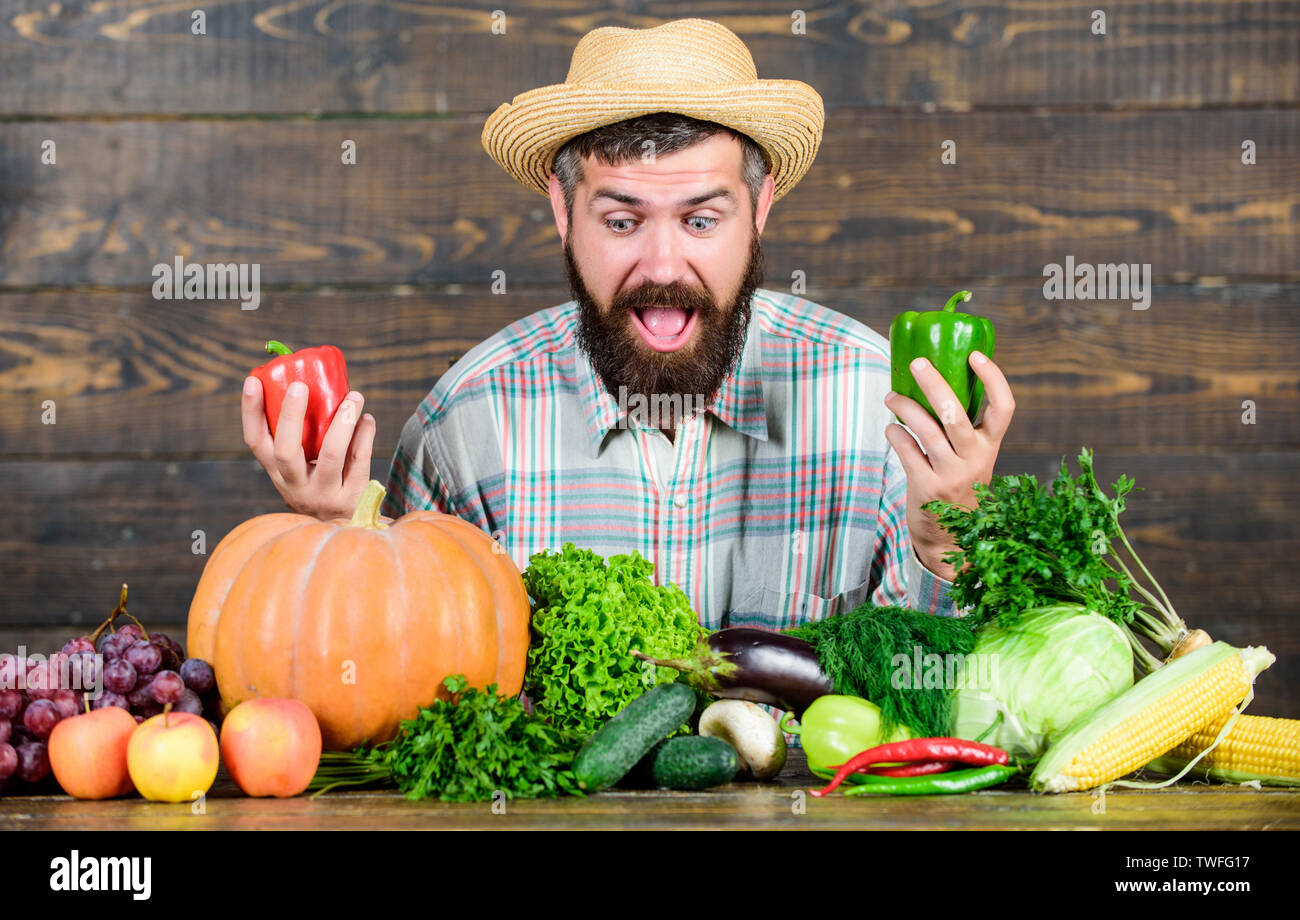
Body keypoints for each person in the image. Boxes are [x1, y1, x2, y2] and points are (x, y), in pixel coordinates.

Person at [240, 19, 1016, 628]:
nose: (664, 265)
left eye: (702, 219)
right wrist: (333, 543)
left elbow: (954, 717)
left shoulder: (872, 407)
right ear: (561, 211)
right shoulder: (468, 426)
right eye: (621, 221)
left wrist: (947, 551)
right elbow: (391, 683)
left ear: (761, 209)